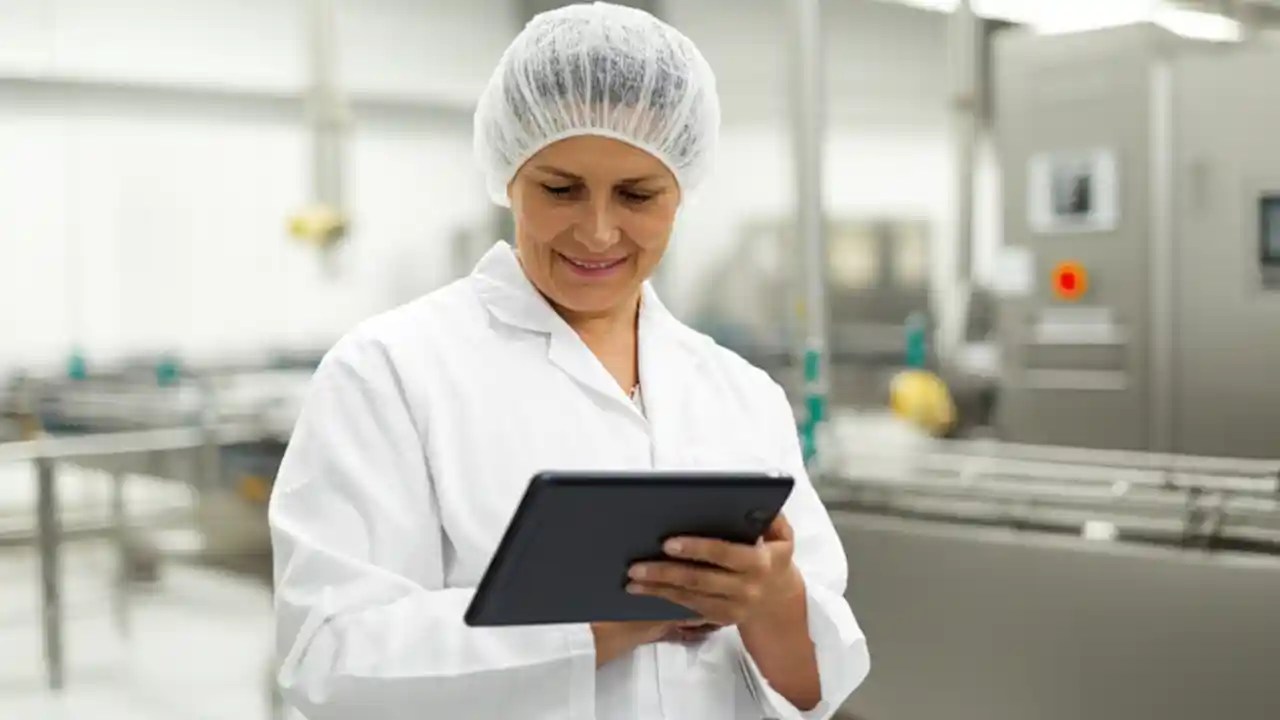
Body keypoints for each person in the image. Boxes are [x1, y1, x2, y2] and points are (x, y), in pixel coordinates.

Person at [269, 3, 869, 719]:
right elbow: (331, 657)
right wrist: (602, 625)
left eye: (637, 194)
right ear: (508, 177)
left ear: (682, 193)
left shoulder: (740, 394)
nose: (597, 229)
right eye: (560, 189)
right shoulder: (391, 372)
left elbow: (812, 689)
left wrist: (773, 604)